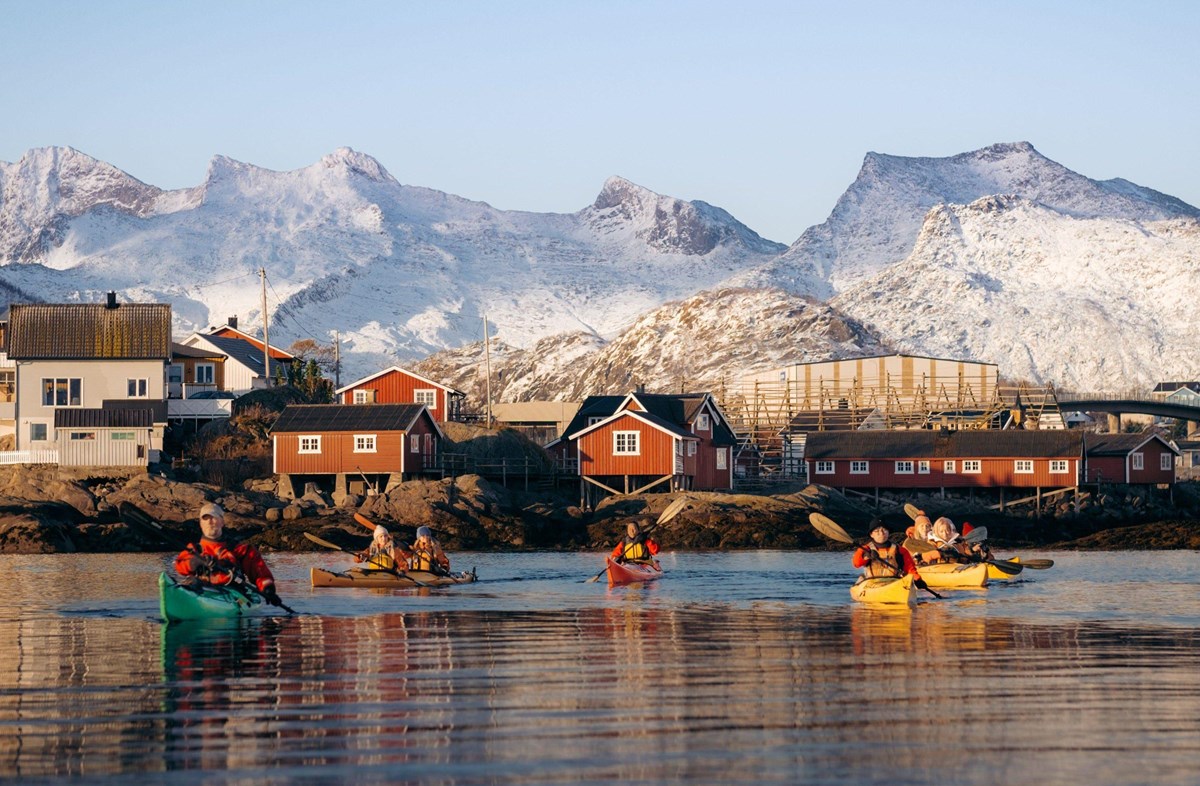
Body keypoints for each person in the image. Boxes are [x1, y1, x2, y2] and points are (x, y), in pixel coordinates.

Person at [174, 502, 284, 607]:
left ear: (222, 522)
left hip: (233, 592)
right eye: (205, 518)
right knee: (192, 582)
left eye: (214, 517)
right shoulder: (194, 550)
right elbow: (180, 566)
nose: (209, 522)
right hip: (203, 590)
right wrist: (196, 561)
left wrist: (268, 589)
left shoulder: (240, 550)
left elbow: (260, 573)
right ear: (200, 524)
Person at [853, 520, 921, 581]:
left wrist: (918, 580)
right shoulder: (865, 549)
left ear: (888, 532)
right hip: (872, 583)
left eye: (884, 530)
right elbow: (856, 564)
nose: (882, 533)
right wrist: (867, 556)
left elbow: (910, 568)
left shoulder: (900, 550)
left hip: (893, 582)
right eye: (877, 531)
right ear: (871, 535)